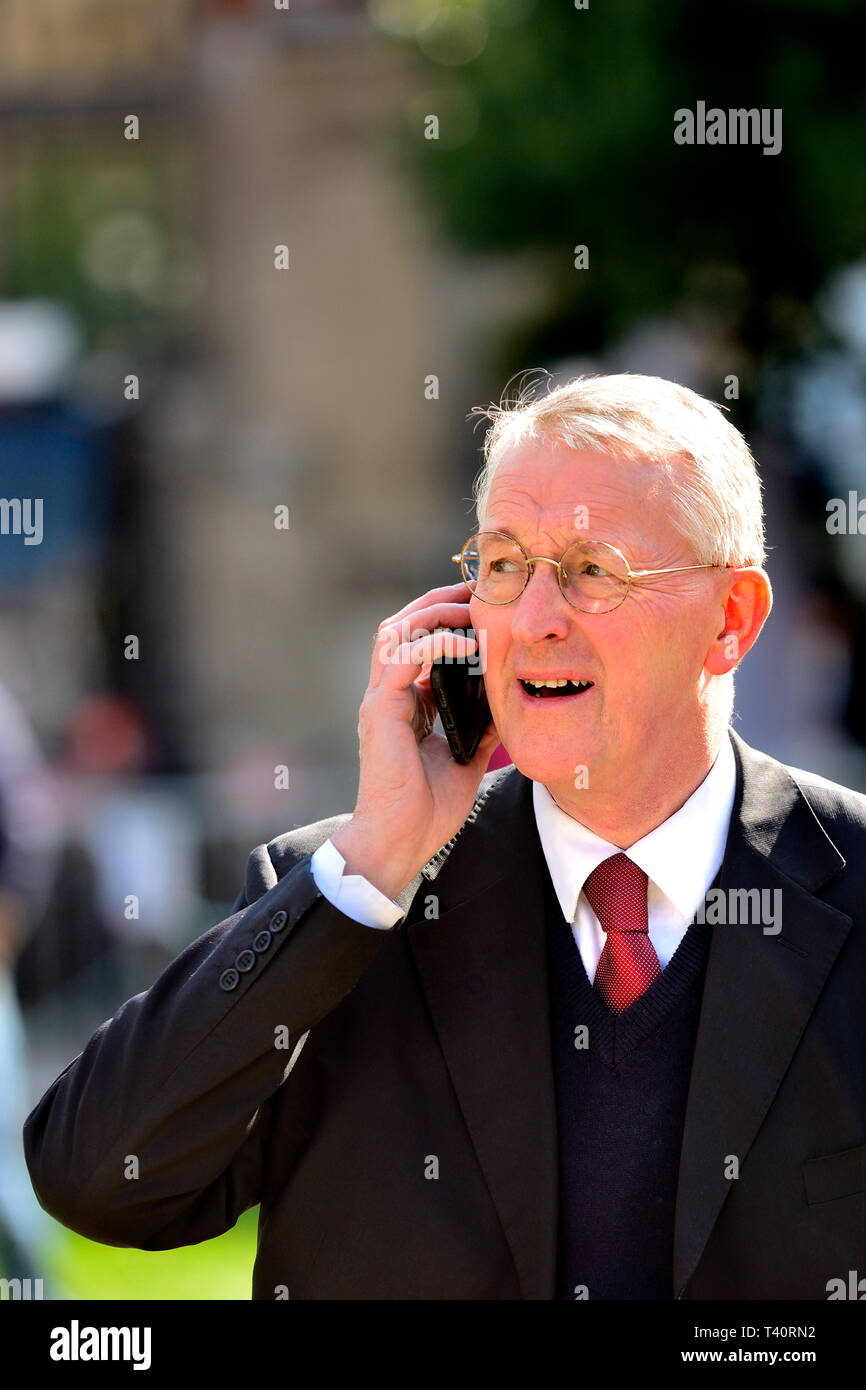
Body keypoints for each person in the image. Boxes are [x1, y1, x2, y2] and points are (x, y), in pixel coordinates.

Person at [23, 374, 866, 1300]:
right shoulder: (348, 901)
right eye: (504, 566)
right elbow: (96, 1180)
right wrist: (377, 853)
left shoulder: (849, 885)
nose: (536, 620)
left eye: (593, 569)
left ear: (732, 620)